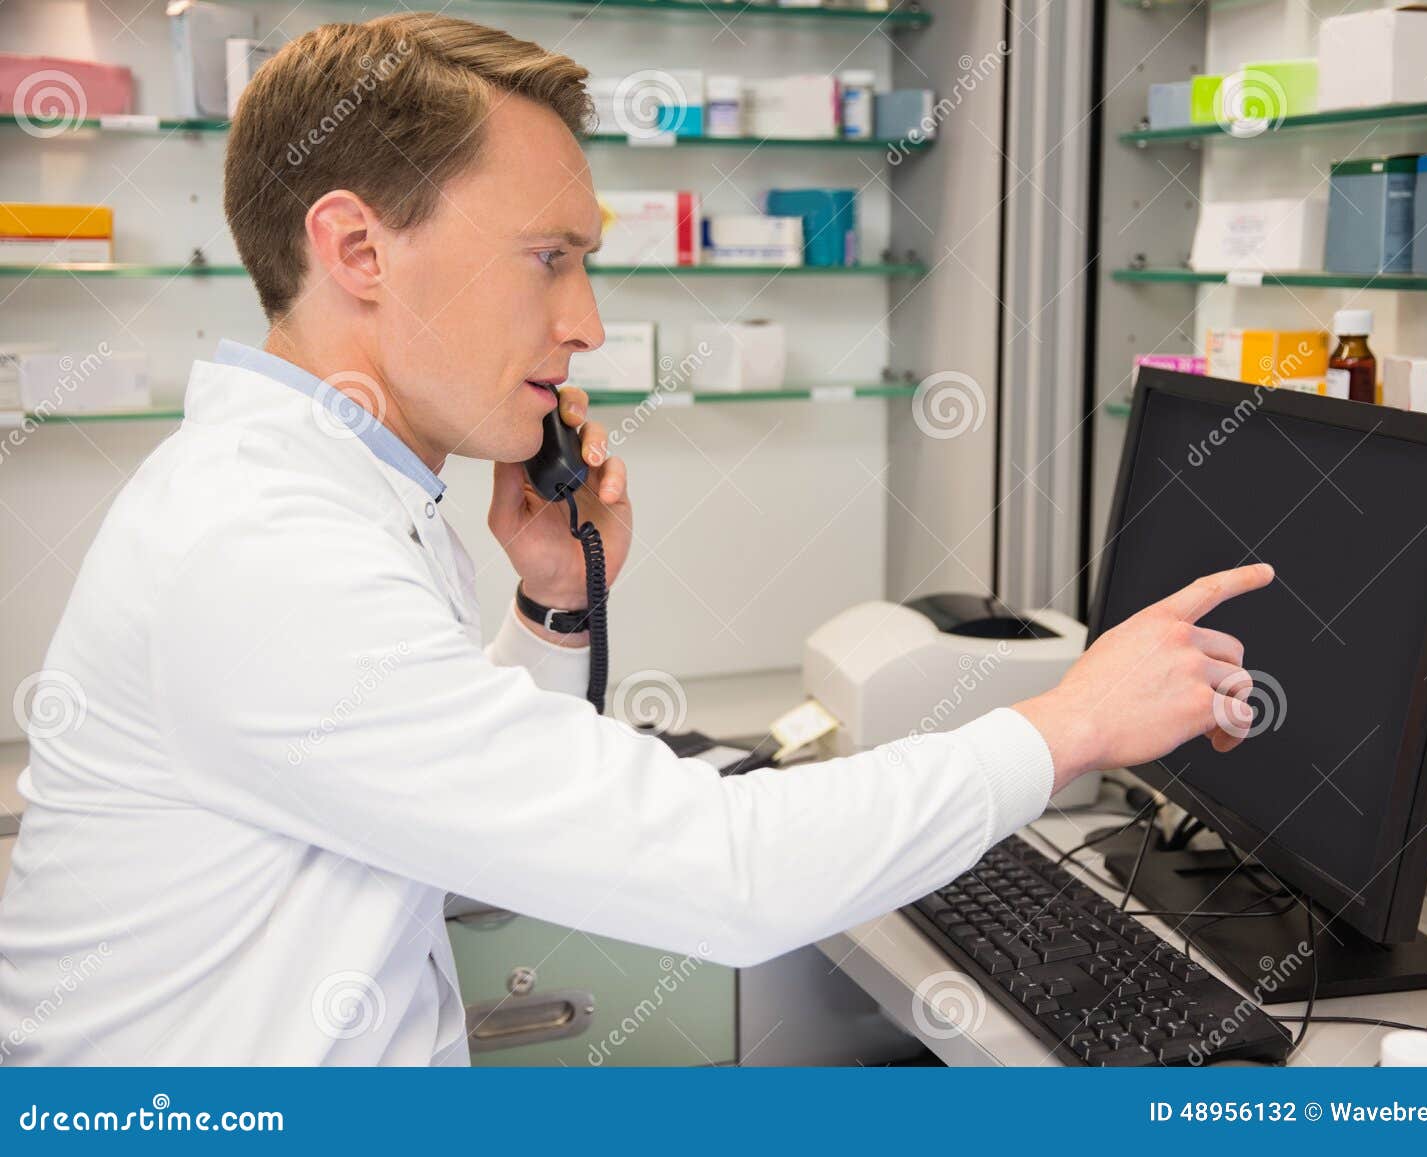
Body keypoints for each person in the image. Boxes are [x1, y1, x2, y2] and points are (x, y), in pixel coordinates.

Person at [0, 14, 1271, 1064]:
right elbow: (727, 874)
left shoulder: (312, 489)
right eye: (548, 258)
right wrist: (1072, 724)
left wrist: (553, 606)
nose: (588, 322)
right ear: (353, 247)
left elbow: (441, 793)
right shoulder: (264, 547)